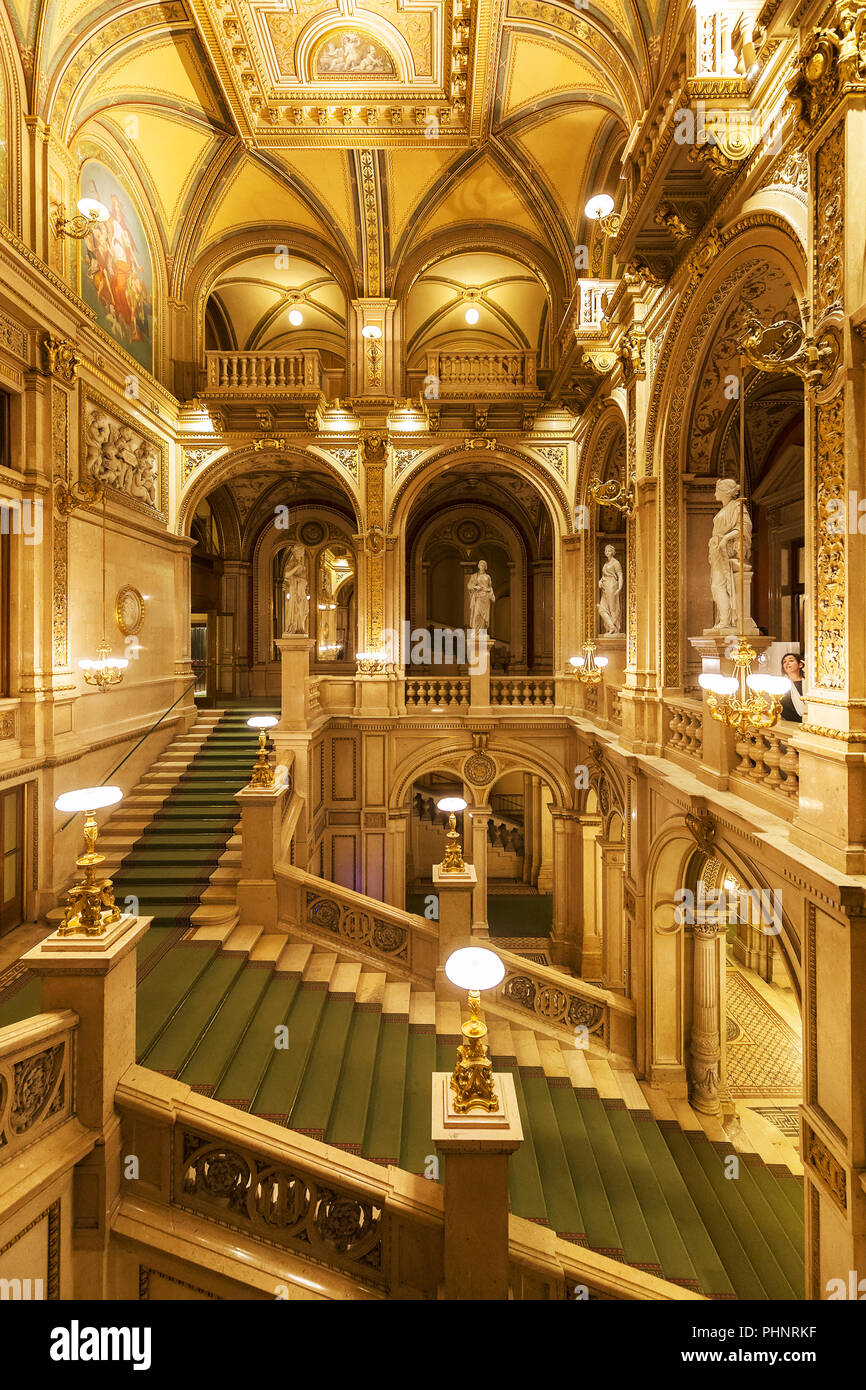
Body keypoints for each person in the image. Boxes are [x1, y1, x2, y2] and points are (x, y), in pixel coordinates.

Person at [597, 544, 624, 634]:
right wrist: (600, 581)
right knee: (602, 609)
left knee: (613, 608)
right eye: (606, 551)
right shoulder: (606, 563)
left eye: (609, 551)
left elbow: (620, 575)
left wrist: (619, 588)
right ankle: (611, 626)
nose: (607, 552)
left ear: (612, 552)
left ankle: (615, 629)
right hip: (605, 587)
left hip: (612, 585)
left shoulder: (616, 563)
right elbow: (604, 575)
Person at [467, 559, 495, 631]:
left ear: (485, 567)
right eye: (481, 565)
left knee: (484, 617)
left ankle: (482, 631)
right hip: (478, 596)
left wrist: (488, 590)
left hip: (485, 597)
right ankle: (475, 631)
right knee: (477, 614)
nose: (482, 566)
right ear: (478, 566)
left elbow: (490, 587)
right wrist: (475, 587)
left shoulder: (488, 576)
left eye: (483, 565)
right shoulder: (474, 576)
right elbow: (469, 586)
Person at [779, 653, 805, 722]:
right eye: (784, 662)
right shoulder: (781, 685)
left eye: (791, 661)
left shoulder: (808, 683)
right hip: (790, 724)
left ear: (800, 664)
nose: (787, 663)